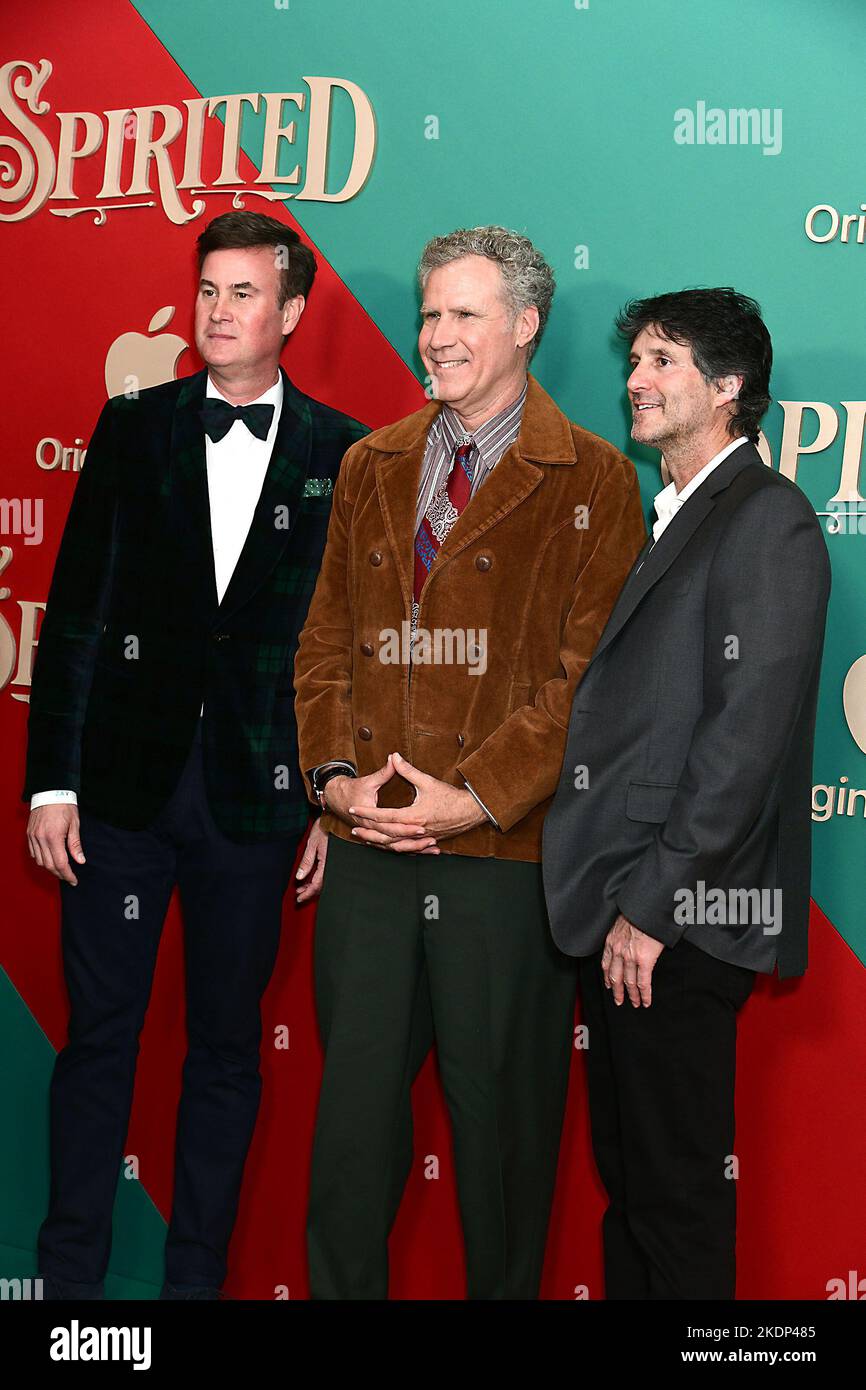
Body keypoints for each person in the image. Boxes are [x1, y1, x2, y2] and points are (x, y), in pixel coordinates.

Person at [293, 225, 646, 1299]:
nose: (434, 338)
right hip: (365, 854)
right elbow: (321, 644)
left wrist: (472, 795)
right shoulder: (371, 460)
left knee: (501, 1142)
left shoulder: (593, 477)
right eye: (427, 313)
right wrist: (337, 782)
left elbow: (584, 685)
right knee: (349, 1143)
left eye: (461, 315)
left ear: (525, 325)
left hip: (501, 860)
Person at [23, 210, 367, 1300]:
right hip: (119, 796)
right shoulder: (132, 429)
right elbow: (75, 612)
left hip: (257, 806)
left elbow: (346, 646)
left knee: (225, 1052)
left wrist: (327, 798)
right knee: (98, 1043)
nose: (219, 312)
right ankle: (66, 1287)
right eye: (207, 291)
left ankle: (193, 1291)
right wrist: (53, 779)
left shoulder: (343, 450)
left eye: (243, 294)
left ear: (293, 312)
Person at [543, 288, 831, 1299]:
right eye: (635, 360)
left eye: (662, 361)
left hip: (679, 915)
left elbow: (742, 743)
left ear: (727, 387)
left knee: (673, 1198)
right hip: (630, 901)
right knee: (637, 1187)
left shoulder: (767, 520)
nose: (635, 379)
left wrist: (653, 905)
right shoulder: (676, 516)